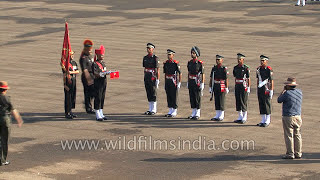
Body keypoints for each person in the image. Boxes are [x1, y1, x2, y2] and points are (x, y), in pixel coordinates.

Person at [277, 77, 303, 159]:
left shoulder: (286, 94)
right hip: (298, 116)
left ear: (288, 86)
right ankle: (298, 153)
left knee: (289, 135)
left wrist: (283, 91)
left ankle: (290, 153)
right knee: (297, 135)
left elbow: (279, 100)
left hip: (288, 117)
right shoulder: (300, 92)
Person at [0, 81, 23, 166]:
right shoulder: (7, 98)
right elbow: (13, 110)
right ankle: (2, 160)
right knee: (4, 140)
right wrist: (19, 120)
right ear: (5, 90)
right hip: (5, 119)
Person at [209, 55, 229, 121]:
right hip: (215, 85)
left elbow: (226, 79)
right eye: (217, 60)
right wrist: (210, 87)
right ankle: (217, 114)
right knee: (216, 99)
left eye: (219, 60)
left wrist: (226, 87)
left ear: (221, 60)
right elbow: (211, 78)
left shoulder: (223, 68)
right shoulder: (214, 68)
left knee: (221, 100)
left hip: (221, 85)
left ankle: (221, 115)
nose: (217, 61)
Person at [187, 46, 205, 120]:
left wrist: (202, 83)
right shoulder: (190, 62)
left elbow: (202, 74)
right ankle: (193, 112)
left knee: (197, 97)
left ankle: (197, 112)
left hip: (196, 81)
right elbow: (189, 72)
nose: (192, 54)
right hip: (191, 81)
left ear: (197, 54)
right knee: (192, 97)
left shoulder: (200, 63)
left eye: (194, 53)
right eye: (192, 53)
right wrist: (188, 81)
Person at [61, 51, 79, 119]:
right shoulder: (65, 64)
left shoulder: (74, 63)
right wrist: (65, 84)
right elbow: (64, 75)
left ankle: (71, 111)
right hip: (68, 81)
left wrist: (71, 72)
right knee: (68, 97)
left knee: (72, 96)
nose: (72, 56)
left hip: (73, 80)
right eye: (71, 55)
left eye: (73, 55)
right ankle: (67, 112)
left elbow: (77, 71)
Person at [256, 55, 274, 127]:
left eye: (263, 61)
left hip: (266, 88)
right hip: (260, 88)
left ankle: (268, 120)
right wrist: (258, 87)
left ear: (266, 61)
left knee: (267, 103)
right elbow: (258, 79)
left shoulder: (269, 69)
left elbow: (271, 80)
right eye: (261, 60)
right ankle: (263, 119)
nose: (262, 62)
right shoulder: (258, 69)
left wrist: (271, 90)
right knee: (261, 103)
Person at [163, 49, 182, 117]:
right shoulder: (166, 63)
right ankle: (170, 109)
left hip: (173, 81)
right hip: (168, 80)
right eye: (168, 54)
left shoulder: (175, 63)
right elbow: (165, 73)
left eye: (170, 54)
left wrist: (179, 82)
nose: (168, 56)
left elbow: (180, 73)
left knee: (174, 95)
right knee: (169, 95)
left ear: (173, 55)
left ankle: (174, 110)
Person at [232, 53, 250, 124]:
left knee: (243, 101)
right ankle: (240, 116)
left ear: (243, 59)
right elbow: (235, 77)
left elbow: (248, 78)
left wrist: (248, 87)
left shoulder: (245, 68)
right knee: (238, 100)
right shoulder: (235, 68)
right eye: (238, 59)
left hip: (243, 85)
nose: (238, 60)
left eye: (240, 59)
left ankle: (244, 116)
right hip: (237, 85)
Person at [92, 45, 108, 121]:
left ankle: (101, 112)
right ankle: (97, 113)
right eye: (101, 55)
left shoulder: (103, 63)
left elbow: (104, 70)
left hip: (103, 82)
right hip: (98, 82)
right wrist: (102, 74)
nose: (103, 56)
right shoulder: (95, 64)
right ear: (97, 55)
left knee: (102, 97)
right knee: (98, 97)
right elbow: (95, 73)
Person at [143, 43, 160, 115]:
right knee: (148, 92)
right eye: (147, 48)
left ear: (153, 49)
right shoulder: (145, 58)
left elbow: (157, 69)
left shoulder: (155, 58)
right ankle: (150, 108)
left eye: (150, 48)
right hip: (147, 76)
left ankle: (154, 109)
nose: (148, 50)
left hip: (152, 77)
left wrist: (157, 79)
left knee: (153, 92)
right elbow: (144, 68)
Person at [79, 39, 95, 114]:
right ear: (85, 49)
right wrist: (88, 79)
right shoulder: (83, 58)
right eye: (89, 50)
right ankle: (88, 108)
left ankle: (87, 103)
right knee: (88, 92)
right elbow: (84, 69)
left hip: (92, 76)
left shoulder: (90, 56)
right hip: (86, 77)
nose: (90, 51)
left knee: (93, 92)